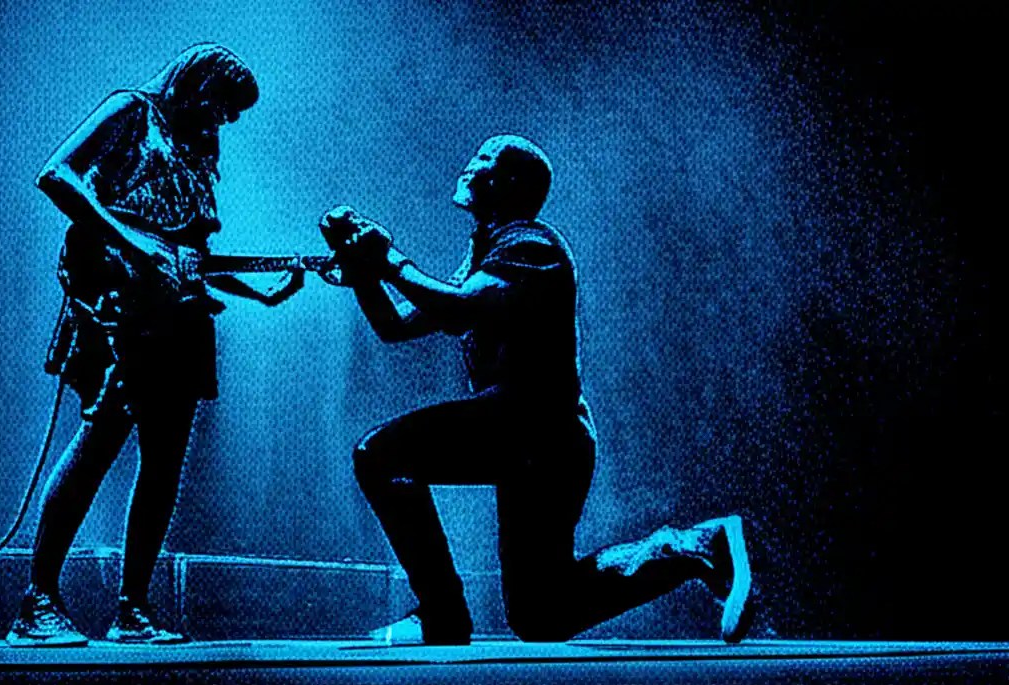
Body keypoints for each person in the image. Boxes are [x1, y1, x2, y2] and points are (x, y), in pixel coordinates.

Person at [318, 134, 754, 645]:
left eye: (482, 160)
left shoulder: (532, 245)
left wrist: (386, 258)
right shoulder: (490, 249)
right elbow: (397, 326)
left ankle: (441, 615)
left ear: (509, 184)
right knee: (542, 614)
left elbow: (456, 308)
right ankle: (697, 545)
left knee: (380, 456)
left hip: (538, 430)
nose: (468, 165)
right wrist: (364, 271)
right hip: (531, 438)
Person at [7, 43, 305, 647]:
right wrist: (131, 243)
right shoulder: (131, 110)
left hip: (179, 318)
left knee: (165, 463)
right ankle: (37, 600)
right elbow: (55, 175)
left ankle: (132, 609)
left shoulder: (200, 144)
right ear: (195, 85)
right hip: (118, 305)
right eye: (221, 106)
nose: (224, 122)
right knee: (99, 442)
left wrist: (259, 291)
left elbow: (183, 253)